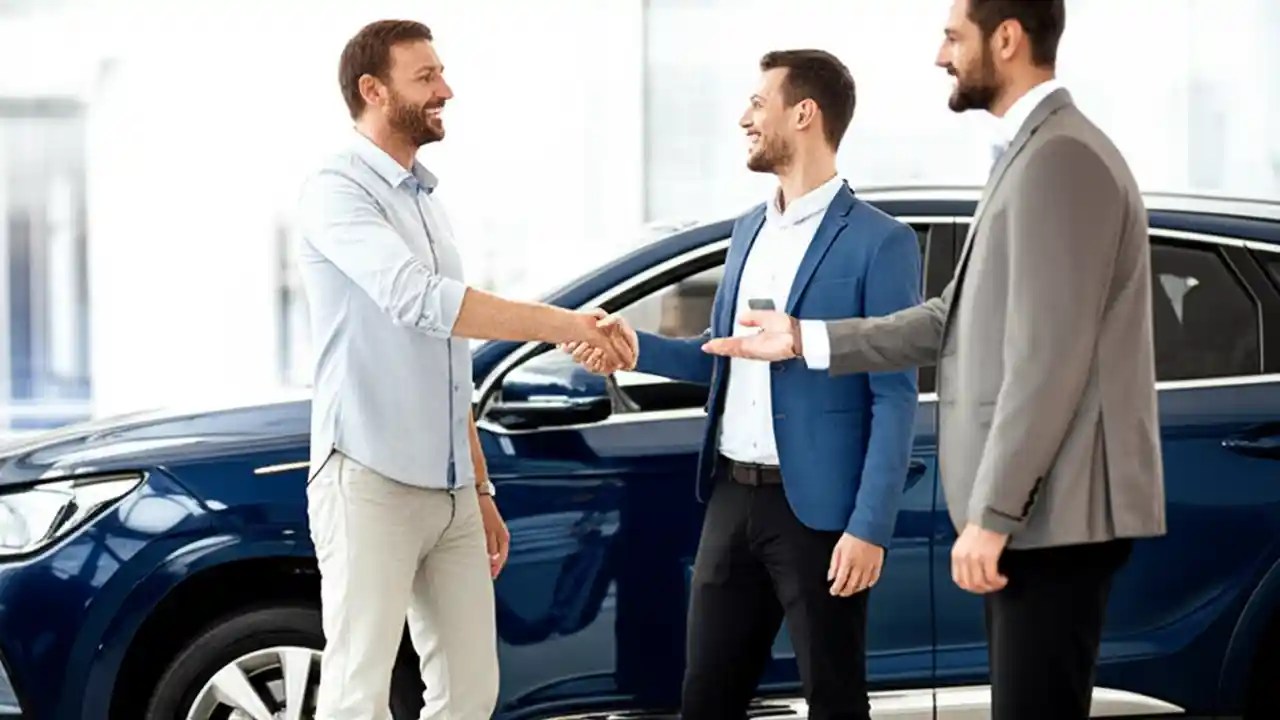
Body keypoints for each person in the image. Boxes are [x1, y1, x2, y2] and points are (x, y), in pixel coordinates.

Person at [701, 1, 1166, 718]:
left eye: (954, 37)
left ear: (1006, 39)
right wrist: (804, 338)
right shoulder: (1031, 153)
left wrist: (995, 510)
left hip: (1055, 508)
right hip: (1044, 510)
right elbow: (954, 317)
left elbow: (1048, 357)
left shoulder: (1061, 156)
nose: (940, 56)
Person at [563, 49, 920, 720]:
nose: (744, 118)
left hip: (820, 515)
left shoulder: (881, 243)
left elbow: (894, 396)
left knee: (835, 701)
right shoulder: (748, 230)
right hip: (732, 499)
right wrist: (635, 348)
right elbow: (725, 357)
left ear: (804, 113)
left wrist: (869, 528)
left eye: (759, 103)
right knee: (707, 699)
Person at [297, 19, 631, 720]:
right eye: (426, 77)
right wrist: (561, 326)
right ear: (373, 90)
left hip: (448, 489)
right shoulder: (337, 189)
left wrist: (478, 485)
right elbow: (419, 303)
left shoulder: (428, 202)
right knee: (358, 694)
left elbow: (446, 358)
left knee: (470, 693)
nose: (446, 89)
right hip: (369, 478)